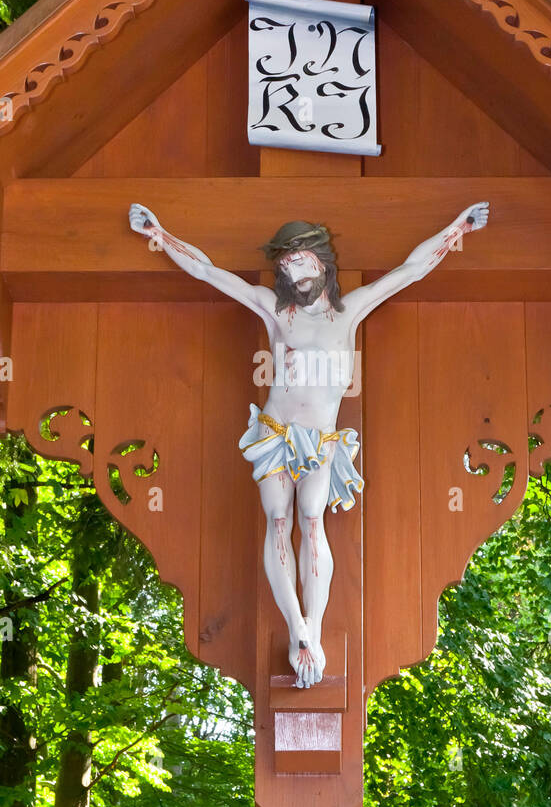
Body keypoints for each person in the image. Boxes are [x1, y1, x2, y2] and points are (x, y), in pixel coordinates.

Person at [129, 201, 490, 687]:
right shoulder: (277, 311)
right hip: (276, 436)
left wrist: (458, 225)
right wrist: (158, 231)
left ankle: (313, 631)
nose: (292, 272)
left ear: (321, 260)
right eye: (284, 266)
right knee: (279, 520)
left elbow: (412, 269)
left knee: (311, 518)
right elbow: (207, 271)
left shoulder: (351, 311)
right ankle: (298, 626)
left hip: (321, 441)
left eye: (298, 261)